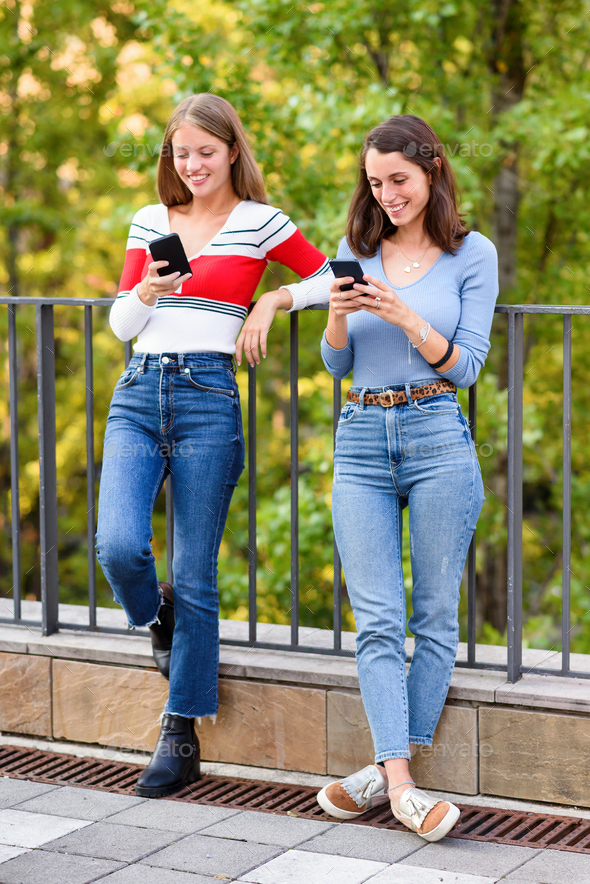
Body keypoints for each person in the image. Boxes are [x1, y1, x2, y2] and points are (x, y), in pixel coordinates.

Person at [95, 93, 329, 798]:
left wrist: (272, 301)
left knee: (195, 573)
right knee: (118, 545)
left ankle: (180, 734)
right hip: (139, 392)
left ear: (231, 151)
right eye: (181, 152)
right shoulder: (149, 220)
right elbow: (119, 326)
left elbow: (332, 276)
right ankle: (154, 614)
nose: (193, 164)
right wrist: (147, 290)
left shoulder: (261, 222)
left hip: (207, 398)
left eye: (206, 151)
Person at [310, 115, 498, 841]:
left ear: (432, 171)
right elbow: (337, 363)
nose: (387, 194)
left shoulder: (472, 253)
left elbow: (468, 366)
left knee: (434, 616)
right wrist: (337, 316)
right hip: (360, 437)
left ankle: (385, 776)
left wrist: (405, 317)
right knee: (378, 619)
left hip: (437, 434)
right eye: (375, 182)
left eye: (400, 180)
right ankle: (402, 785)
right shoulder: (356, 250)